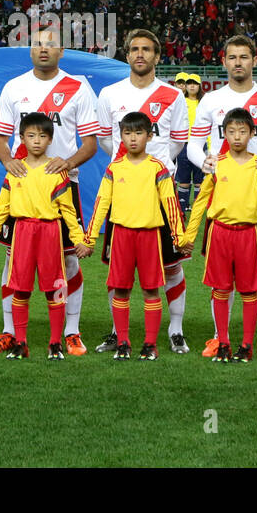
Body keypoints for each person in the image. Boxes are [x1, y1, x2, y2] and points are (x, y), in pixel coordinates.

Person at [0, 26, 97, 356]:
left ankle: (71, 333)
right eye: (37, 44)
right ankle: (9, 332)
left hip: (61, 188)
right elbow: (1, 141)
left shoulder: (78, 88)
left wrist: (67, 162)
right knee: (12, 260)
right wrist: (9, 163)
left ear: (62, 51)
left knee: (69, 261)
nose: (43, 49)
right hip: (21, 187)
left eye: (51, 44)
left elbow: (89, 144)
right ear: (29, 50)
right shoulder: (14, 87)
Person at [187, 34, 257, 359]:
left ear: (254, 61)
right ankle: (219, 337)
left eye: (244, 57)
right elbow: (194, 144)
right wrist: (203, 161)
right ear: (224, 62)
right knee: (222, 275)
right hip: (222, 204)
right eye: (232, 57)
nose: (238, 63)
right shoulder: (210, 101)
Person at [93, 29, 189, 352]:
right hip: (123, 192)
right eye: (134, 49)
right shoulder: (109, 94)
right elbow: (107, 140)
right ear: (127, 54)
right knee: (116, 271)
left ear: (157, 56)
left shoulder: (173, 96)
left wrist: (153, 169)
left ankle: (175, 329)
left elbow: (176, 142)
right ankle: (117, 333)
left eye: (147, 50)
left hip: (160, 191)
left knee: (172, 265)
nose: (140, 54)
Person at [81, 112, 184, 361]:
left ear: (149, 136)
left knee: (151, 290)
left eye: (138, 133)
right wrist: (90, 238)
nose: (133, 138)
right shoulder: (114, 168)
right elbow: (101, 204)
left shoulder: (157, 168)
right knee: (121, 290)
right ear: (121, 136)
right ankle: (123, 342)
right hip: (121, 237)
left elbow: (170, 202)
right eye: (127, 133)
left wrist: (179, 236)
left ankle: (150, 344)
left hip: (150, 237)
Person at [0, 112, 84, 360]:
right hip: (23, 233)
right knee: (20, 288)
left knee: (55, 289)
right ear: (21, 138)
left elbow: (68, 210)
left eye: (42, 136)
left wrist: (79, 239)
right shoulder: (15, 171)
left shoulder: (57, 171)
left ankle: (55, 343)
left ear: (50, 139)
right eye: (31, 136)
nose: (36, 140)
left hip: (50, 233)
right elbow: (1, 208)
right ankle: (21, 342)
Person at [173, 72, 204, 218]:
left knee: (199, 180)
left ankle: (198, 210)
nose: (191, 86)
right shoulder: (181, 102)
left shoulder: (204, 103)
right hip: (184, 145)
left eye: (195, 83)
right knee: (184, 179)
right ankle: (182, 208)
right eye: (189, 83)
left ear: (199, 86)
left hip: (200, 145)